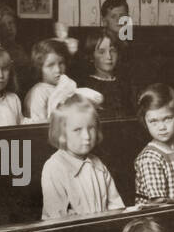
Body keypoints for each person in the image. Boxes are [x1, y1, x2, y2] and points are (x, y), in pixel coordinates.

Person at [40, 91, 124, 219]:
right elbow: (57, 218)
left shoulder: (98, 164)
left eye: (91, 128)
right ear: (62, 134)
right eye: (77, 130)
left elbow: (116, 207)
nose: (86, 136)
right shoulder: (54, 167)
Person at [81, 31, 133, 120]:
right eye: (101, 52)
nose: (109, 57)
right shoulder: (87, 87)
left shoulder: (126, 84)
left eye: (112, 51)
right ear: (91, 56)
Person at [24, 38, 74, 123]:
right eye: (50, 65)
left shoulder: (67, 86)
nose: (58, 70)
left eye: (61, 63)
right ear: (39, 68)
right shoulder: (39, 92)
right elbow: (38, 127)